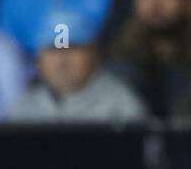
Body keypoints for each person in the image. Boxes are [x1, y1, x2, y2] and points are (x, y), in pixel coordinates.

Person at [9, 10, 149, 123]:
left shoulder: (122, 105)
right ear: (38, 60)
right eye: (53, 50)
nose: (62, 60)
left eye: (72, 48)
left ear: (94, 55)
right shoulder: (24, 107)